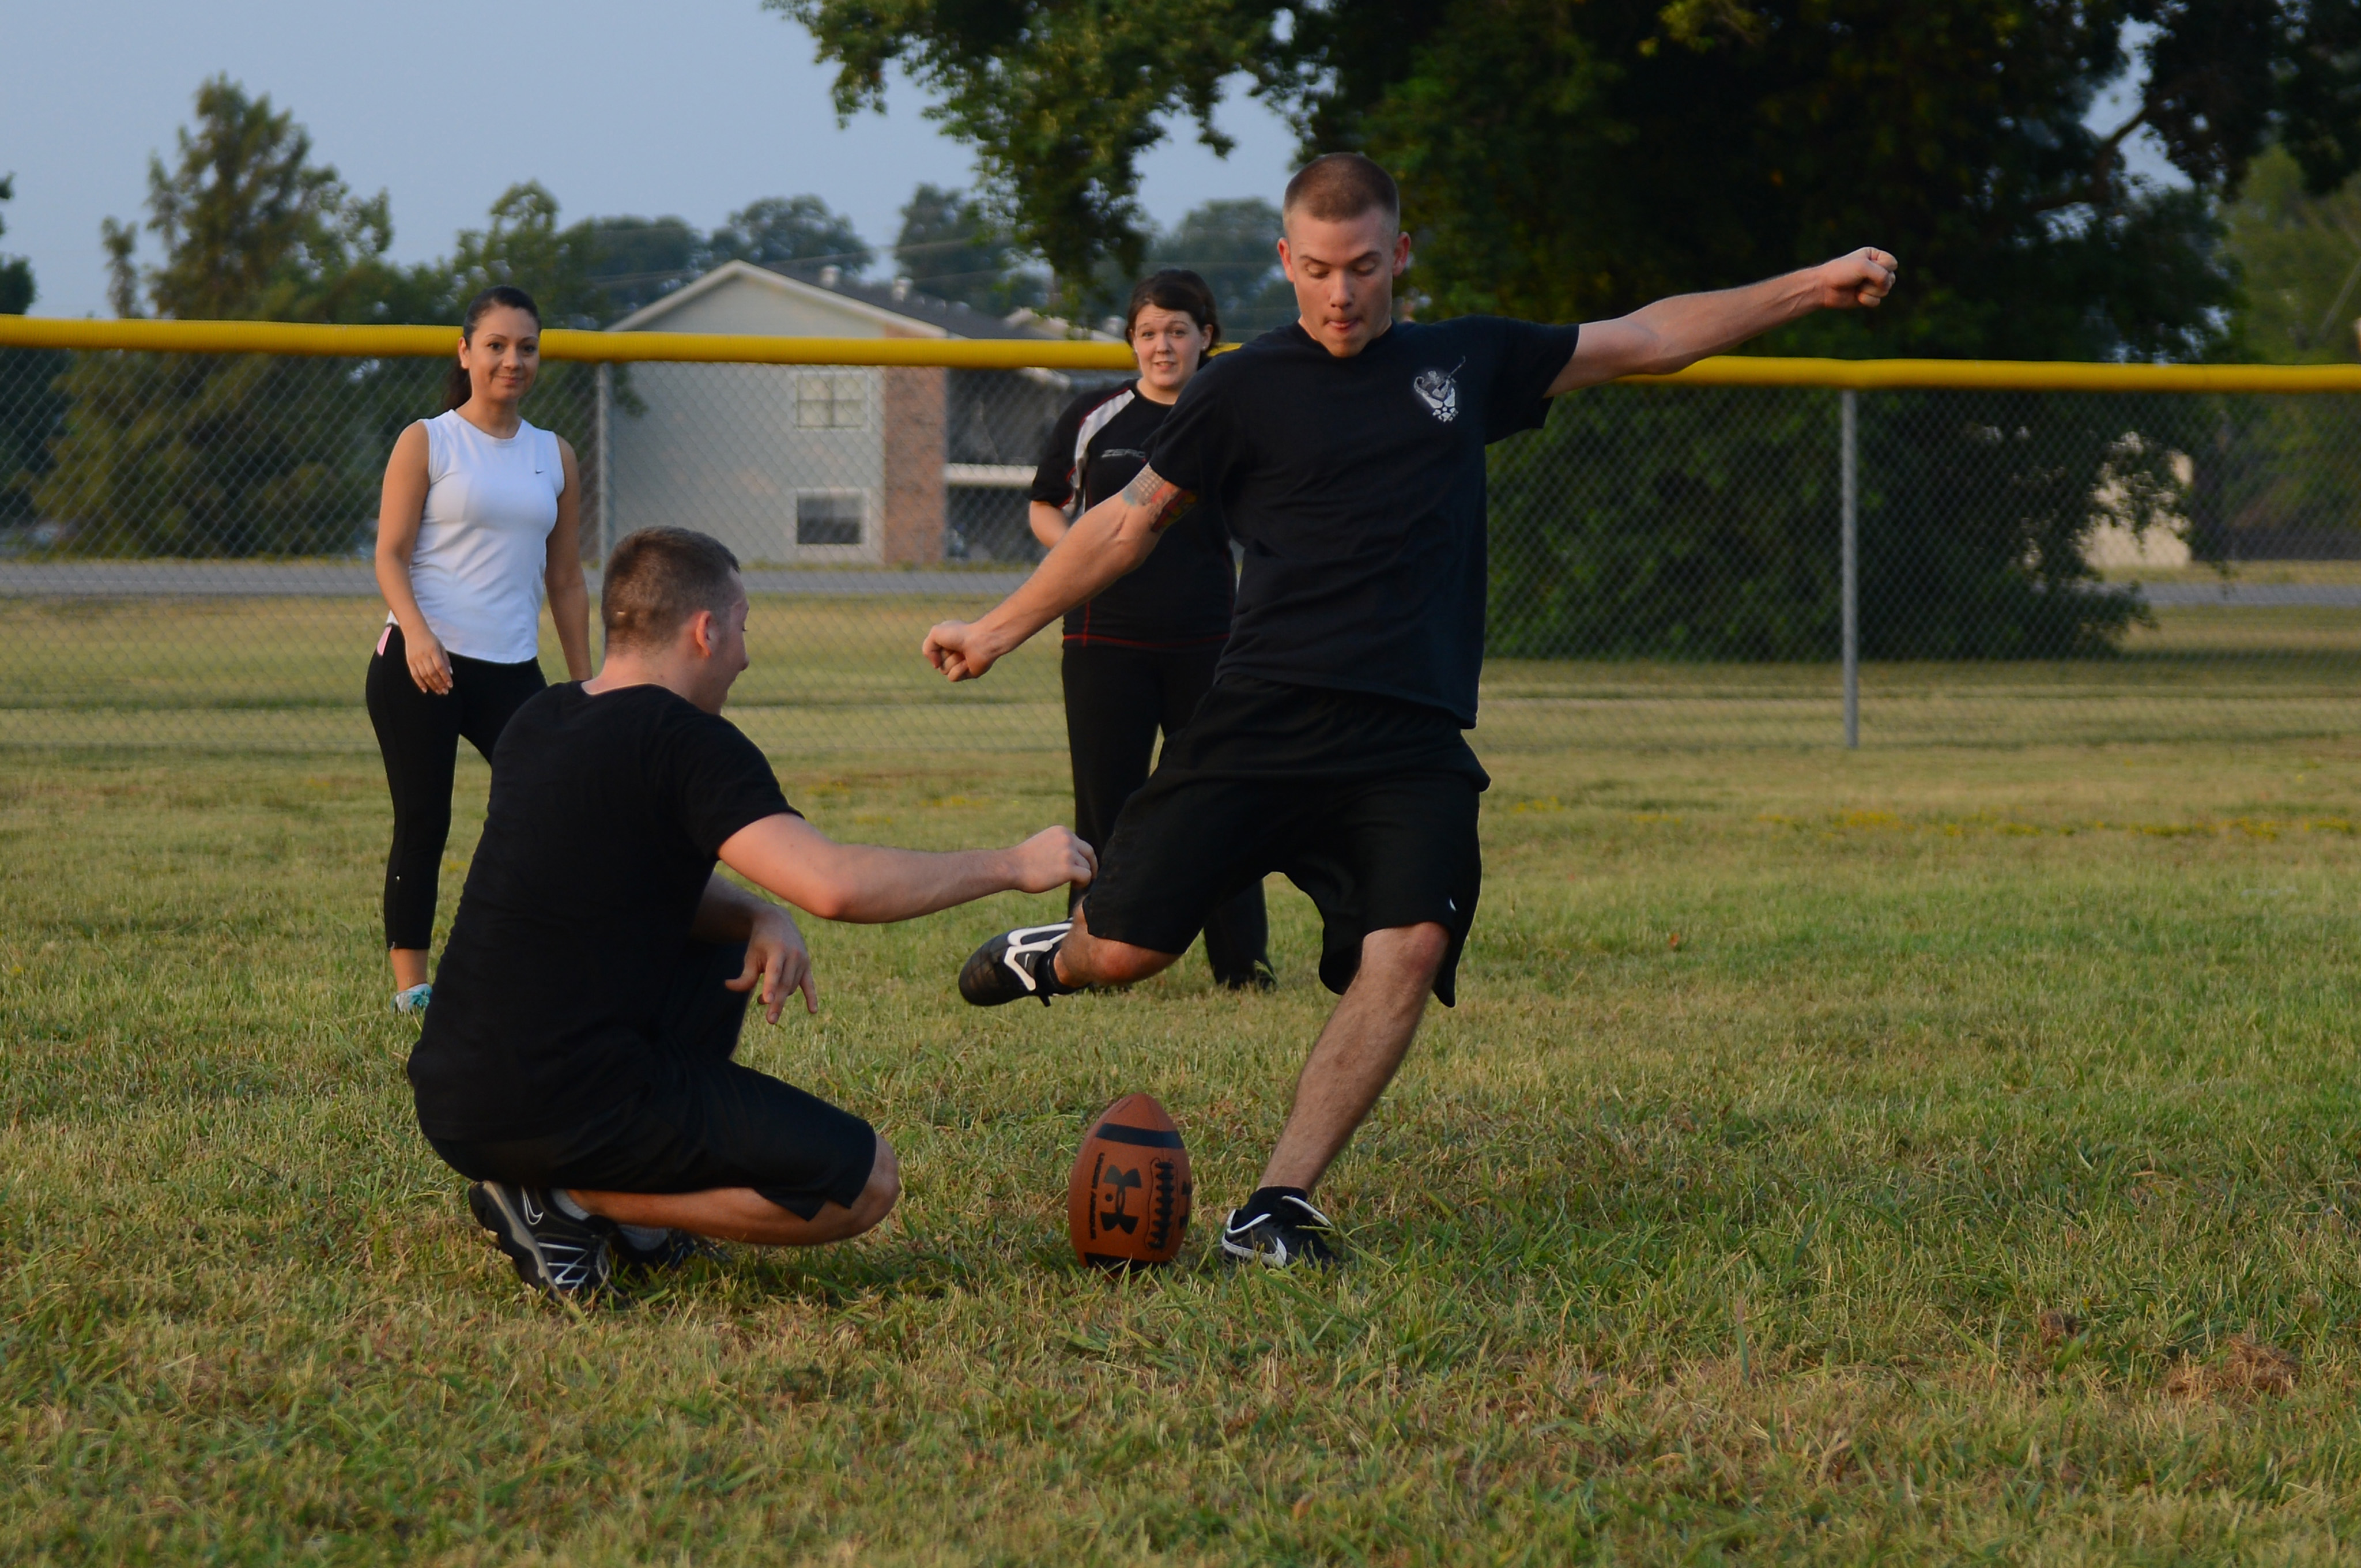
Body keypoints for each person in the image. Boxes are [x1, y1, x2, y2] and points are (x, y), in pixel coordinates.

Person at [925, 153, 1896, 1267]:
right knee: (1128, 956)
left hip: (1408, 734)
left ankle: (1275, 1206)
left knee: (1412, 942)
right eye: (1317, 270)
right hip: (1260, 718)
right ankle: (1059, 955)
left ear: (1400, 256)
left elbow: (1646, 338)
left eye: (1363, 268)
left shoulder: (1463, 361)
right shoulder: (1239, 387)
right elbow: (1125, 521)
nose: (1340, 294)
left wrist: (1809, 285)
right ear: (1285, 261)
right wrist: (997, 628)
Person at [410, 526, 1093, 1301]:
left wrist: (755, 915)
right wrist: (1012, 865)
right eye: (742, 627)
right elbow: (835, 885)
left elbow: (613, 877)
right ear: (705, 630)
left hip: (459, 1095)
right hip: (561, 1098)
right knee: (863, 1182)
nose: (744, 655)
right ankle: (569, 1200)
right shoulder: (688, 742)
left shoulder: (543, 718)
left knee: (719, 940)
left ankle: (631, 1219)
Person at [1028, 269, 1271, 991]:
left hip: (1208, 638)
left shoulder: (1233, 413)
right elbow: (1045, 505)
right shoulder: (1095, 416)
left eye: (1177, 331)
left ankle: (1241, 964)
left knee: (1220, 796)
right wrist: (1082, 554)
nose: (1162, 346)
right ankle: (1089, 959)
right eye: (1147, 333)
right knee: (1105, 804)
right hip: (1104, 639)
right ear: (1132, 341)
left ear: (1206, 336)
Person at [369, 285, 593, 1019]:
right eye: (496, 345)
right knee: (425, 820)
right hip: (422, 664)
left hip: (511, 669)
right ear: (465, 352)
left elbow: (566, 579)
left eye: (526, 347)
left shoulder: (554, 455)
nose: (512, 360)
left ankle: (531, 959)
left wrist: (586, 684)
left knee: (556, 808)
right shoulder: (428, 440)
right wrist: (417, 634)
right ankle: (412, 987)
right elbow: (390, 554)